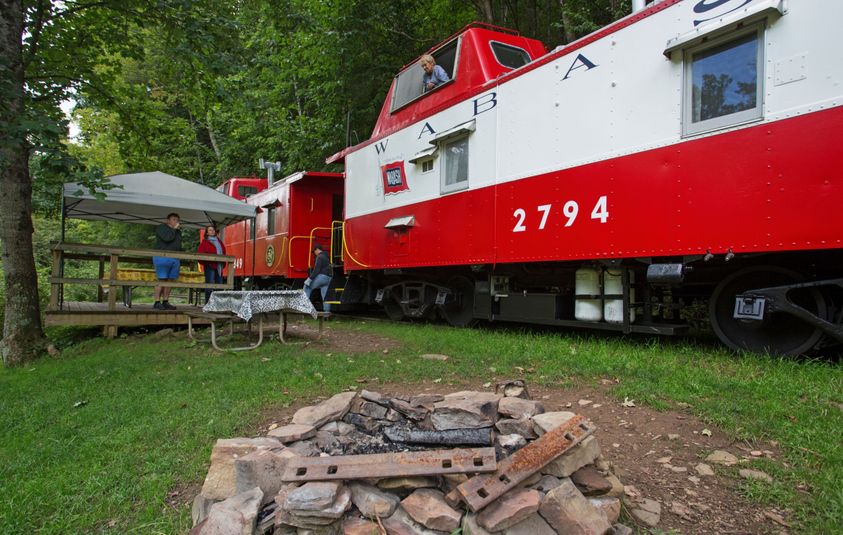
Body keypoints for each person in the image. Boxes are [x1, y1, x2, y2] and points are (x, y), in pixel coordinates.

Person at [153, 213, 182, 310]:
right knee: (162, 279)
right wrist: (174, 229)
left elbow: (178, 244)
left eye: (177, 220)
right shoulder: (162, 228)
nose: (176, 221)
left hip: (175, 258)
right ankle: (157, 302)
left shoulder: (178, 231)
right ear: (168, 220)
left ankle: (165, 301)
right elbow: (167, 238)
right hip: (162, 257)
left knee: (170, 280)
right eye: (174, 219)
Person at [197, 225, 227, 303]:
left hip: (219, 266)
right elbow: (200, 255)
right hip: (209, 266)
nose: (212, 231)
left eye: (213, 230)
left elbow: (223, 252)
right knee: (209, 286)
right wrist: (207, 263)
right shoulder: (204, 242)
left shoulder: (219, 241)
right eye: (210, 230)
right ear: (207, 232)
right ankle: (208, 304)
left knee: (219, 285)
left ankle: (219, 304)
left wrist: (223, 262)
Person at [303, 244, 333, 313]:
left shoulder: (319, 257)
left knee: (307, 286)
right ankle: (326, 313)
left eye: (314, 251)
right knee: (325, 296)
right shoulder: (327, 256)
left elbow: (316, 270)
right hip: (329, 278)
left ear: (317, 249)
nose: (314, 253)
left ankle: (304, 308)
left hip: (322, 277)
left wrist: (309, 279)